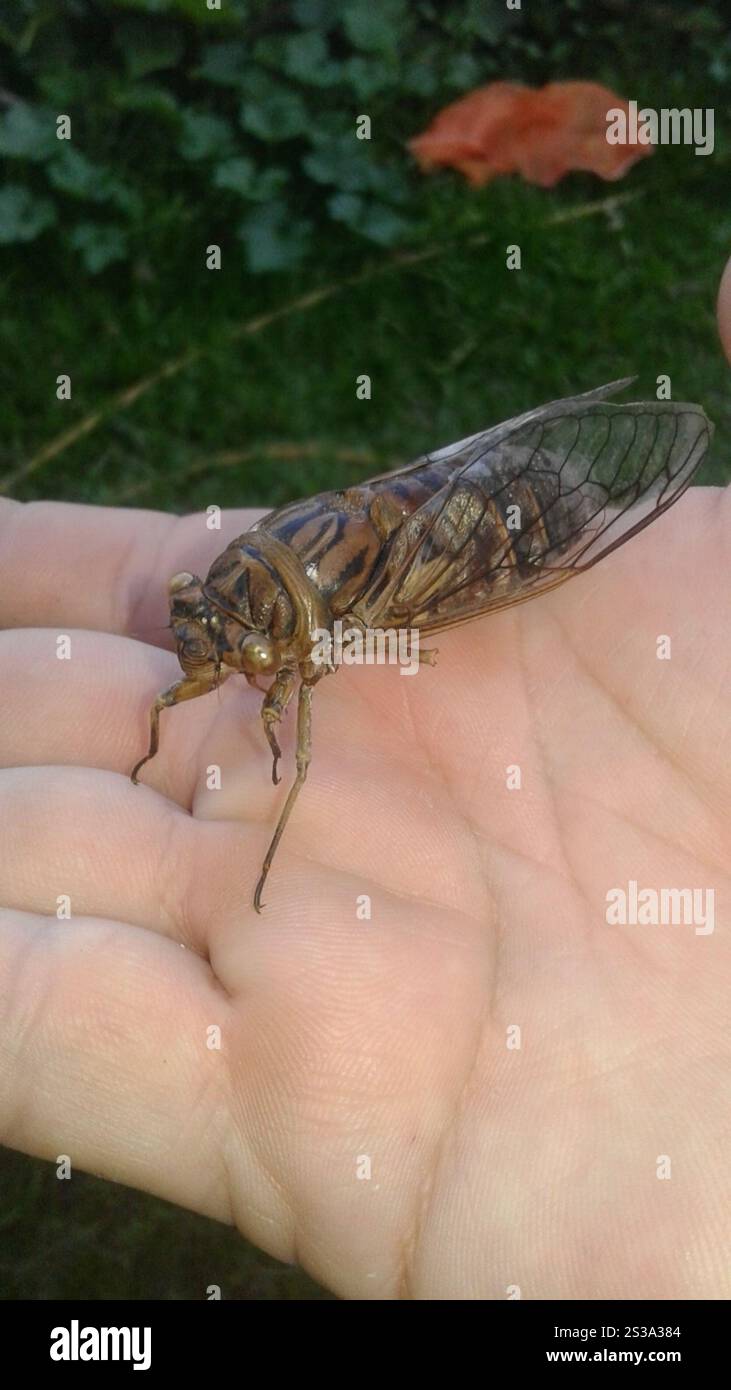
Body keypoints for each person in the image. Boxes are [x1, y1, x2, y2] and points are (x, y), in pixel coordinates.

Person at [0, 266, 728, 1302]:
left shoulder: (306, 648)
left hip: (474, 544)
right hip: (427, 503)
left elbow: (290, 760)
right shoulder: (248, 614)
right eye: (211, 616)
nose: (213, 640)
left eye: (234, 629)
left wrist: (264, 858)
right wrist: (156, 724)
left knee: (322, 721)